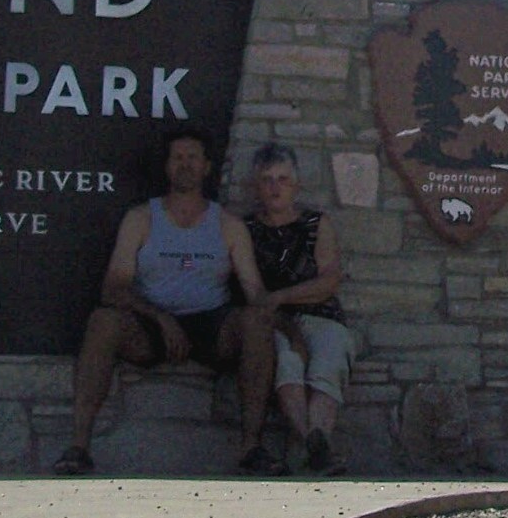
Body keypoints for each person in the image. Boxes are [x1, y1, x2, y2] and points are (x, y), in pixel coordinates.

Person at [52, 126, 285, 476]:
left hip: (211, 322)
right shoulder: (141, 219)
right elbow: (113, 289)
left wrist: (290, 326)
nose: (185, 165)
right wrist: (162, 318)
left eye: (193, 158)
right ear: (167, 167)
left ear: (207, 167)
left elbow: (255, 293)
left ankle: (252, 447)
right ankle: (79, 446)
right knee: (103, 320)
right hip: (151, 323)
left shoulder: (227, 224)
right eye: (178, 158)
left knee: (255, 324)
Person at [245, 142, 353, 475]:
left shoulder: (316, 225)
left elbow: (329, 280)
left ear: (296, 184)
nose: (275, 187)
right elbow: (252, 294)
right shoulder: (247, 231)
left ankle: (317, 437)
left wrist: (281, 296)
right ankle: (315, 446)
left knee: (330, 360)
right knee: (287, 362)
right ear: (257, 186)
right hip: (275, 322)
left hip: (322, 316)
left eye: (282, 178)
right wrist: (279, 307)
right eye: (267, 180)